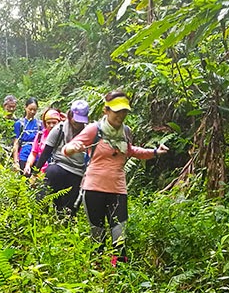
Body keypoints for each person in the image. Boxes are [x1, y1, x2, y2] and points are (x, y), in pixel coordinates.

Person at [63, 90, 168, 263]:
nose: (121, 115)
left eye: (124, 111)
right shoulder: (93, 130)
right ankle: (98, 270)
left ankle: (119, 271)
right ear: (106, 110)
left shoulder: (126, 131)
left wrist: (155, 152)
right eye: (117, 111)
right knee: (98, 234)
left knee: (119, 234)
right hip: (93, 188)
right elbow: (67, 148)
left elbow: (132, 150)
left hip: (118, 189)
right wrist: (75, 147)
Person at [28, 99, 90, 218]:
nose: (78, 124)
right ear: (70, 116)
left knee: (69, 208)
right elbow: (45, 153)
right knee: (49, 179)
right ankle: (39, 215)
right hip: (59, 166)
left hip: (77, 172)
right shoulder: (59, 129)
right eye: (76, 121)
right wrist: (35, 174)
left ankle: (65, 222)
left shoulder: (89, 132)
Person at [23, 107, 62, 177]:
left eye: (54, 123)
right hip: (41, 172)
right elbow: (34, 152)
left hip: (57, 172)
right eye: (48, 123)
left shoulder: (64, 136)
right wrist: (28, 165)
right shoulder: (40, 135)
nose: (51, 125)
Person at [11, 97, 41, 173]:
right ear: (25, 108)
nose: (32, 112)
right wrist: (15, 160)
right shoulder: (19, 123)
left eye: (35, 110)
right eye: (30, 109)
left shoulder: (39, 124)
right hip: (24, 154)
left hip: (37, 155)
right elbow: (16, 142)